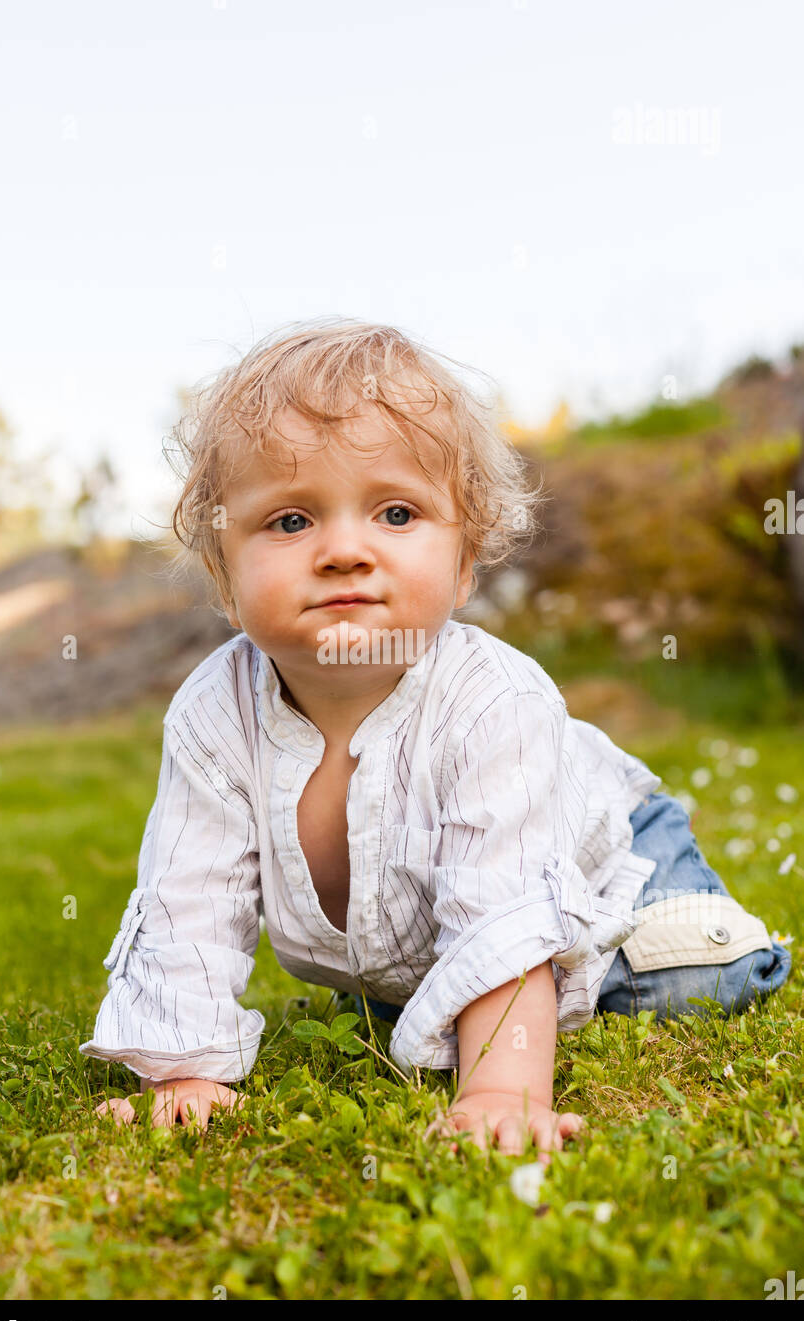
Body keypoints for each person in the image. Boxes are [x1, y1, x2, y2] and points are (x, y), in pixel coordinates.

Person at [80, 318, 792, 1163]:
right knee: (422, 1005)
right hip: (420, 931)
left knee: (696, 980)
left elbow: (505, 908)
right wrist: (183, 1071)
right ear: (225, 579)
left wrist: (500, 1090)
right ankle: (435, 991)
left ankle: (656, 953)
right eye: (289, 520)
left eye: (395, 512)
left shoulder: (495, 701)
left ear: (465, 565)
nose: (345, 550)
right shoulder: (212, 715)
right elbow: (187, 901)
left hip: (608, 860)